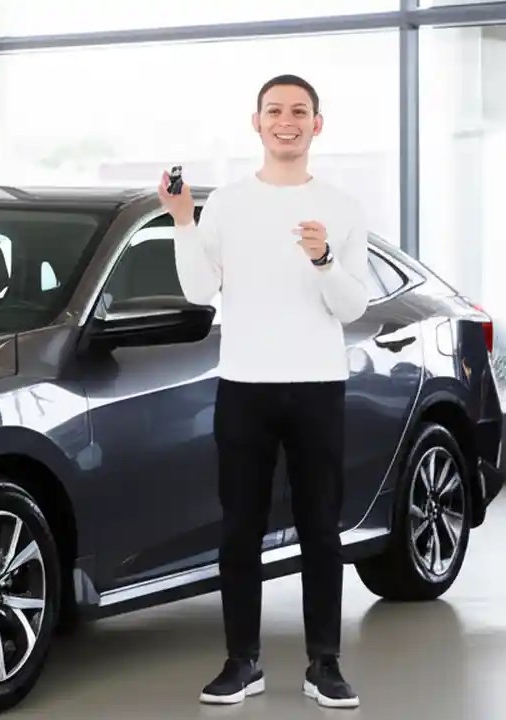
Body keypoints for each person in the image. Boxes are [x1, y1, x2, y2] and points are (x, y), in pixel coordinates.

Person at [159, 74, 370, 709]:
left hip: (316, 386)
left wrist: (325, 258)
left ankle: (324, 665)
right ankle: (241, 661)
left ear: (317, 125)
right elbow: (200, 290)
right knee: (239, 528)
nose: (287, 120)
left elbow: (353, 306)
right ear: (257, 123)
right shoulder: (226, 204)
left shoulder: (342, 207)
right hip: (245, 385)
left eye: (299, 111)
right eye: (275, 110)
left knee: (320, 529)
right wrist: (181, 220)